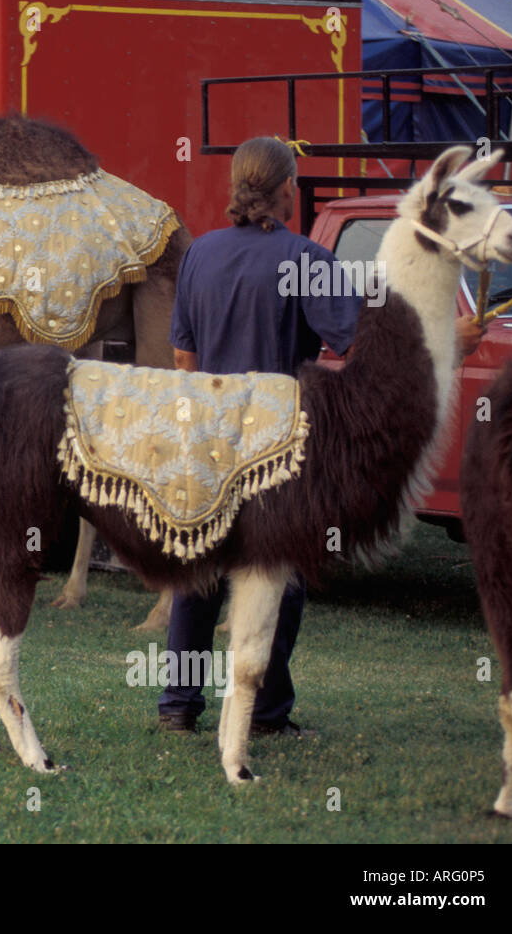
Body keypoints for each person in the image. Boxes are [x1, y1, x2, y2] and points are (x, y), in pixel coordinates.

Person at [157, 137, 361, 735]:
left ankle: (177, 704)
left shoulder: (200, 253)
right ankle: (267, 710)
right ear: (283, 191)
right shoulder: (305, 259)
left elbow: (183, 354)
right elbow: (355, 343)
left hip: (210, 441)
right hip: (275, 448)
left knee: (199, 573)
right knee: (279, 580)